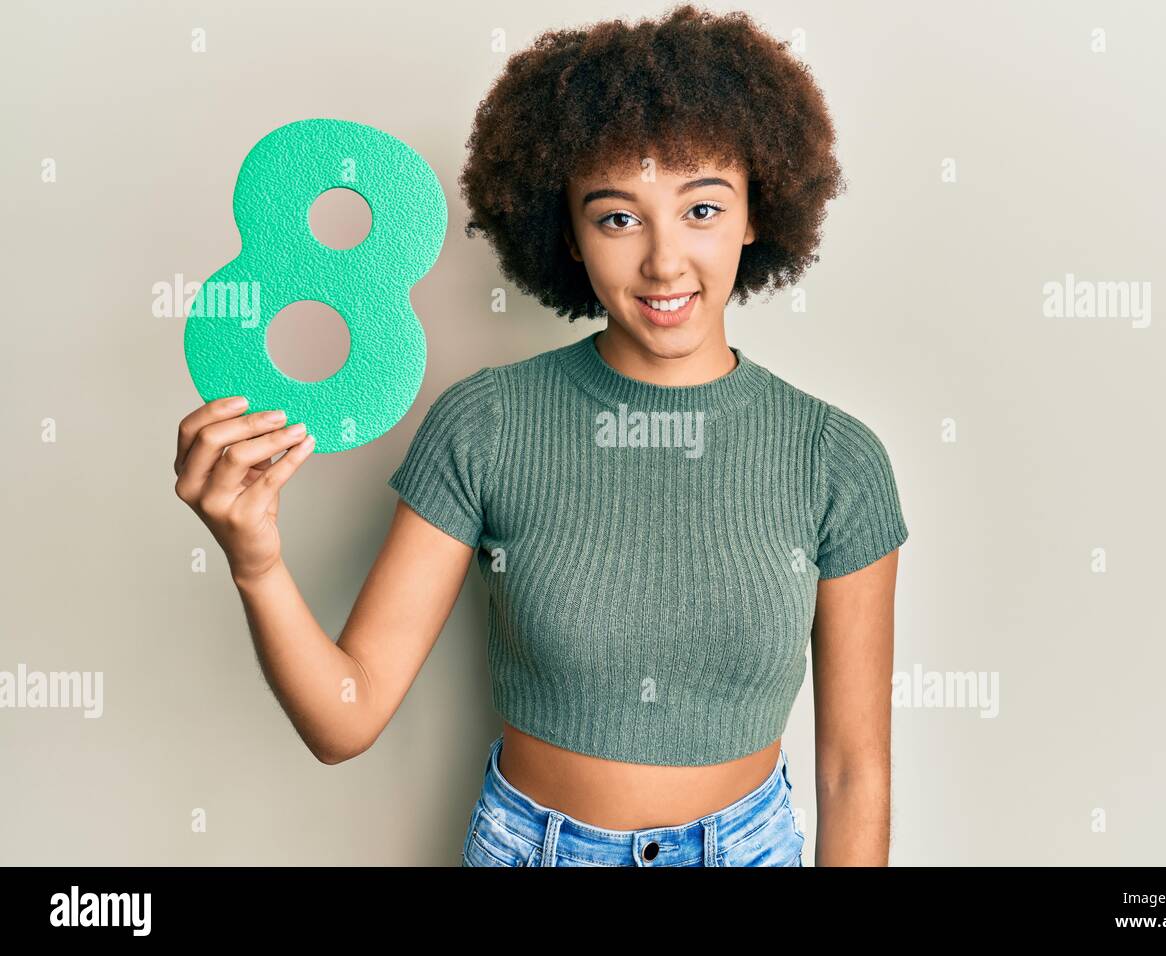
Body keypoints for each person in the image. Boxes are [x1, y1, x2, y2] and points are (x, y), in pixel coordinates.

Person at [173, 4, 907, 867]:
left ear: (758, 212)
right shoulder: (486, 424)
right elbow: (346, 718)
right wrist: (255, 560)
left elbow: (855, 774)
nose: (665, 262)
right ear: (567, 232)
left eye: (702, 210)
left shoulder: (837, 460)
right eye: (618, 218)